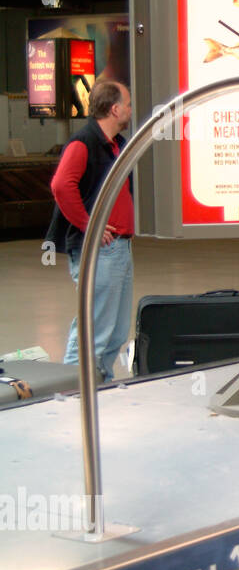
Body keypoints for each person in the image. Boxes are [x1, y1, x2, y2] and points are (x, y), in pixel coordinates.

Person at [46, 79, 135, 380]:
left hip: (118, 248)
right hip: (100, 249)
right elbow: (60, 185)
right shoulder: (83, 143)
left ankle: (101, 384)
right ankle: (74, 388)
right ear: (114, 109)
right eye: (129, 104)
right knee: (94, 329)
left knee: (116, 330)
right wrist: (90, 225)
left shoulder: (117, 145)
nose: (131, 110)